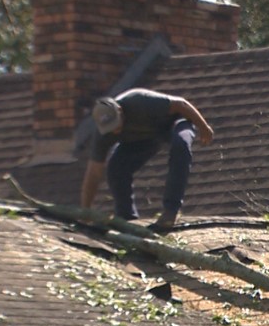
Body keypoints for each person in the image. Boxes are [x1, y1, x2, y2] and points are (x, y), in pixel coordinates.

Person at [80, 88, 214, 231]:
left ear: (120, 110)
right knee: (115, 167)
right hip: (145, 139)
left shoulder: (139, 100)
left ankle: (171, 210)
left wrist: (203, 127)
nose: (115, 130)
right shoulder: (103, 134)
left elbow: (181, 104)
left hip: (175, 122)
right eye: (110, 128)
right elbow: (93, 173)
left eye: (116, 123)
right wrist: (85, 211)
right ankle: (126, 219)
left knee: (181, 145)